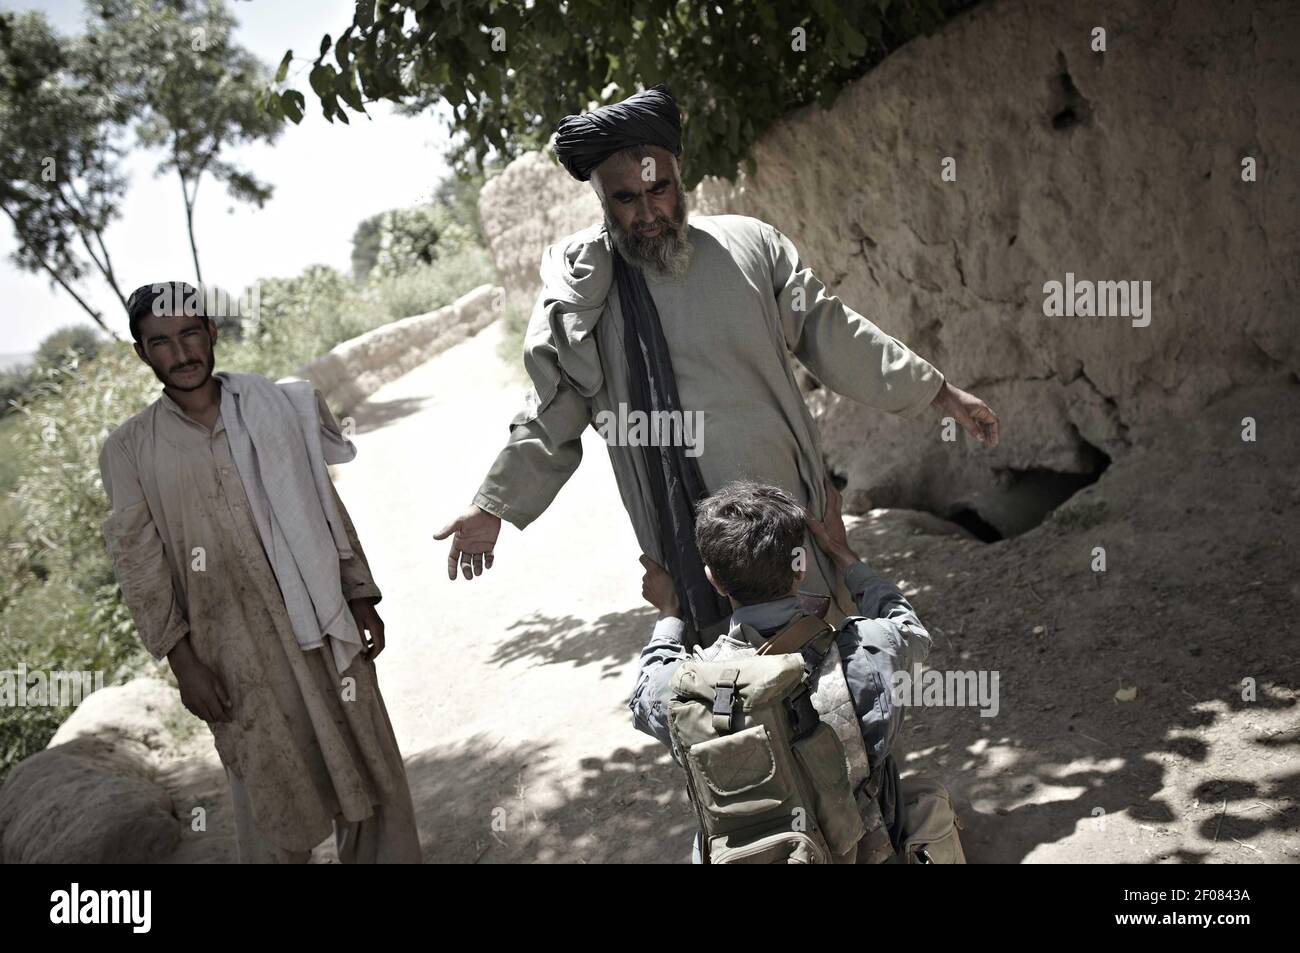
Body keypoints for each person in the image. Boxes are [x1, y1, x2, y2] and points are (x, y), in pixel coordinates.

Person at [436, 83, 998, 645]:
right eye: (626, 199)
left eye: (659, 189)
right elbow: (555, 409)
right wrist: (493, 505)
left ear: (680, 178)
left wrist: (938, 392)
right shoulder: (583, 292)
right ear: (602, 202)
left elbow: (832, 331)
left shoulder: (751, 246)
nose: (648, 211)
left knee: (820, 649)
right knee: (723, 678)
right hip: (678, 520)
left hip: (785, 499)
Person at [98, 282, 420, 863]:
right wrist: (183, 661)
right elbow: (139, 565)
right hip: (232, 651)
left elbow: (324, 506)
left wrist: (360, 595)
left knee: (369, 764)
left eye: (191, 333)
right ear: (143, 353)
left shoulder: (273, 407)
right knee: (268, 791)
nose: (182, 353)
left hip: (321, 621)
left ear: (212, 333)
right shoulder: (129, 451)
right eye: (161, 342)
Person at [631, 478, 933, 862]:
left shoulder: (686, 688)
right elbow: (912, 631)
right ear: (800, 568)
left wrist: (668, 613)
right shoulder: (866, 650)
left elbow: (643, 694)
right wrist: (846, 559)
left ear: (714, 580)